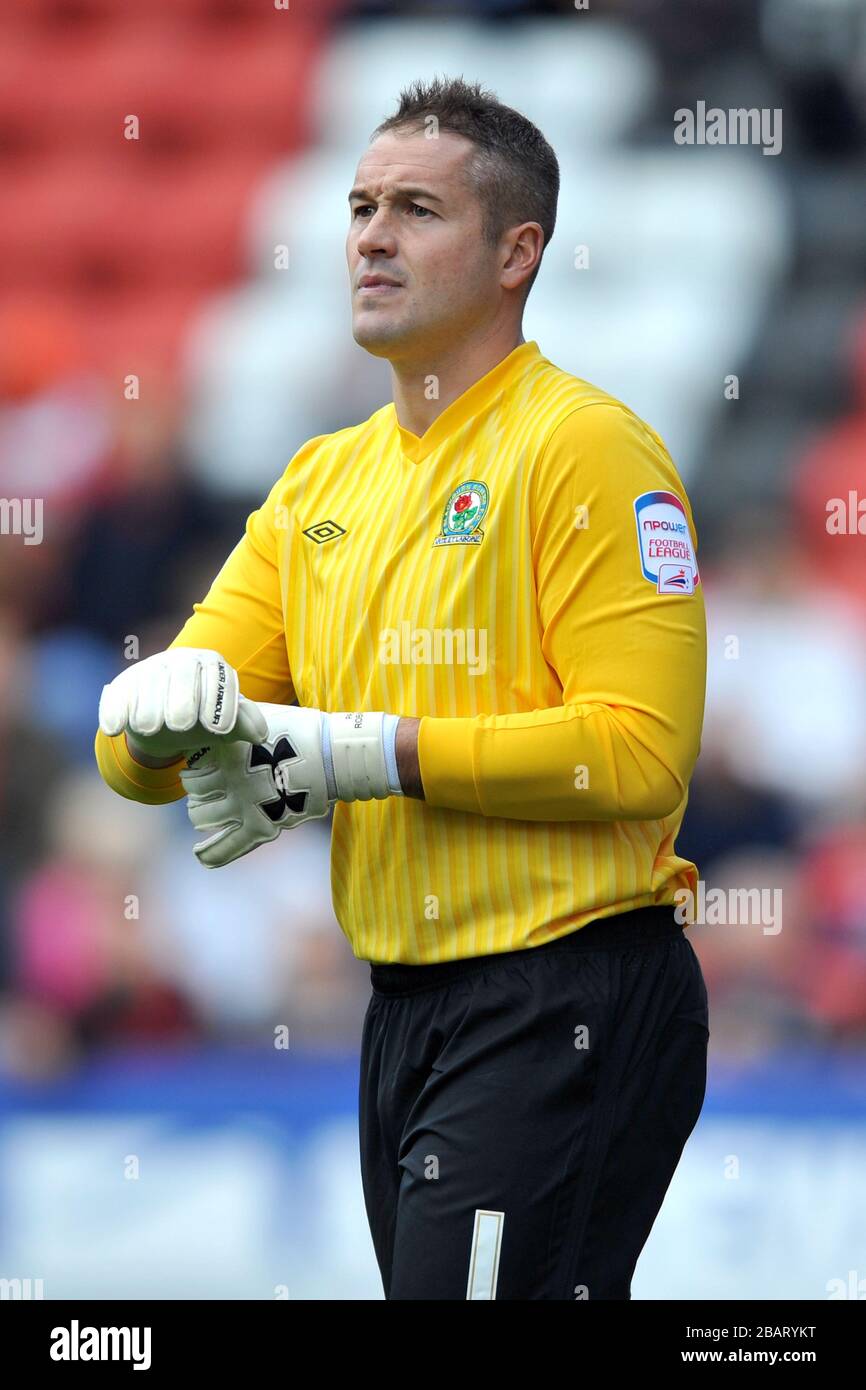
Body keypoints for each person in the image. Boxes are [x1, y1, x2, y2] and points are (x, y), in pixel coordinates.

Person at [95, 77, 709, 1300]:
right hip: (402, 1011)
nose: (369, 236)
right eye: (360, 205)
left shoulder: (583, 446)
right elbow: (157, 746)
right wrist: (143, 719)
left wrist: (357, 753)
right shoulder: (321, 478)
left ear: (513, 253)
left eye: (416, 209)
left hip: (562, 991)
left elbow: (638, 754)